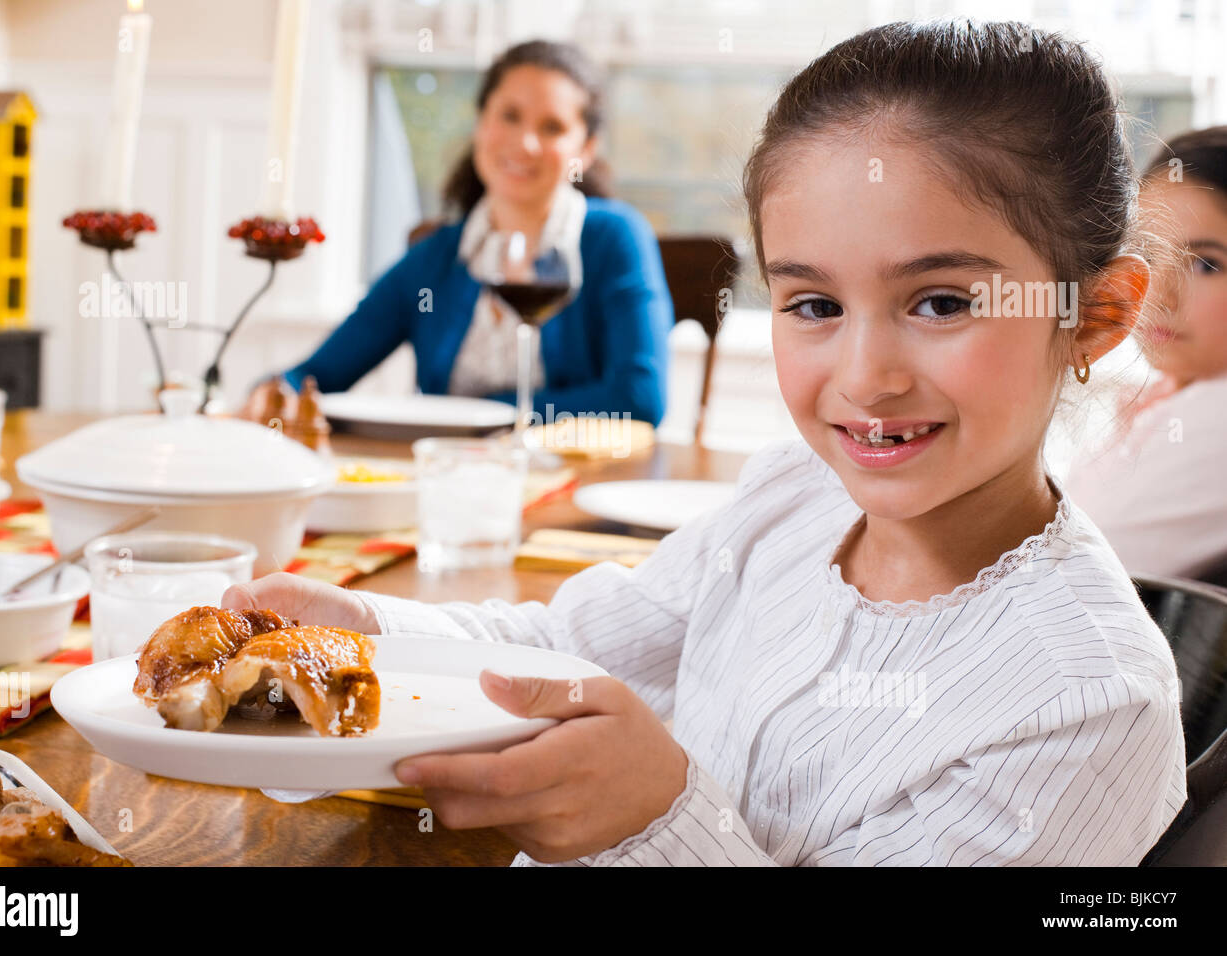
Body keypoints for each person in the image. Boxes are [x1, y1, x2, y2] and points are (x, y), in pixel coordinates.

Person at [225, 20, 1186, 866]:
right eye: (813, 304)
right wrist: (368, 631)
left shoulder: (1087, 706)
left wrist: (655, 820)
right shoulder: (794, 498)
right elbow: (566, 647)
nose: (863, 376)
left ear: (1097, 313)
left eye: (940, 302)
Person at [271, 40, 673, 426]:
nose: (525, 143)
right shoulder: (434, 259)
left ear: (585, 149)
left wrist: (481, 416)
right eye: (510, 116)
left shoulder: (615, 238)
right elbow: (316, 376)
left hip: (576, 487)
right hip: (449, 481)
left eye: (552, 127)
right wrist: (275, 395)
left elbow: (637, 400)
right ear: (481, 121)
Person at [1066, 126, 1227, 580]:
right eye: (1148, 255)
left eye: (1206, 264)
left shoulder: (1217, 414)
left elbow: (1071, 570)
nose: (1159, 295)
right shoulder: (1167, 398)